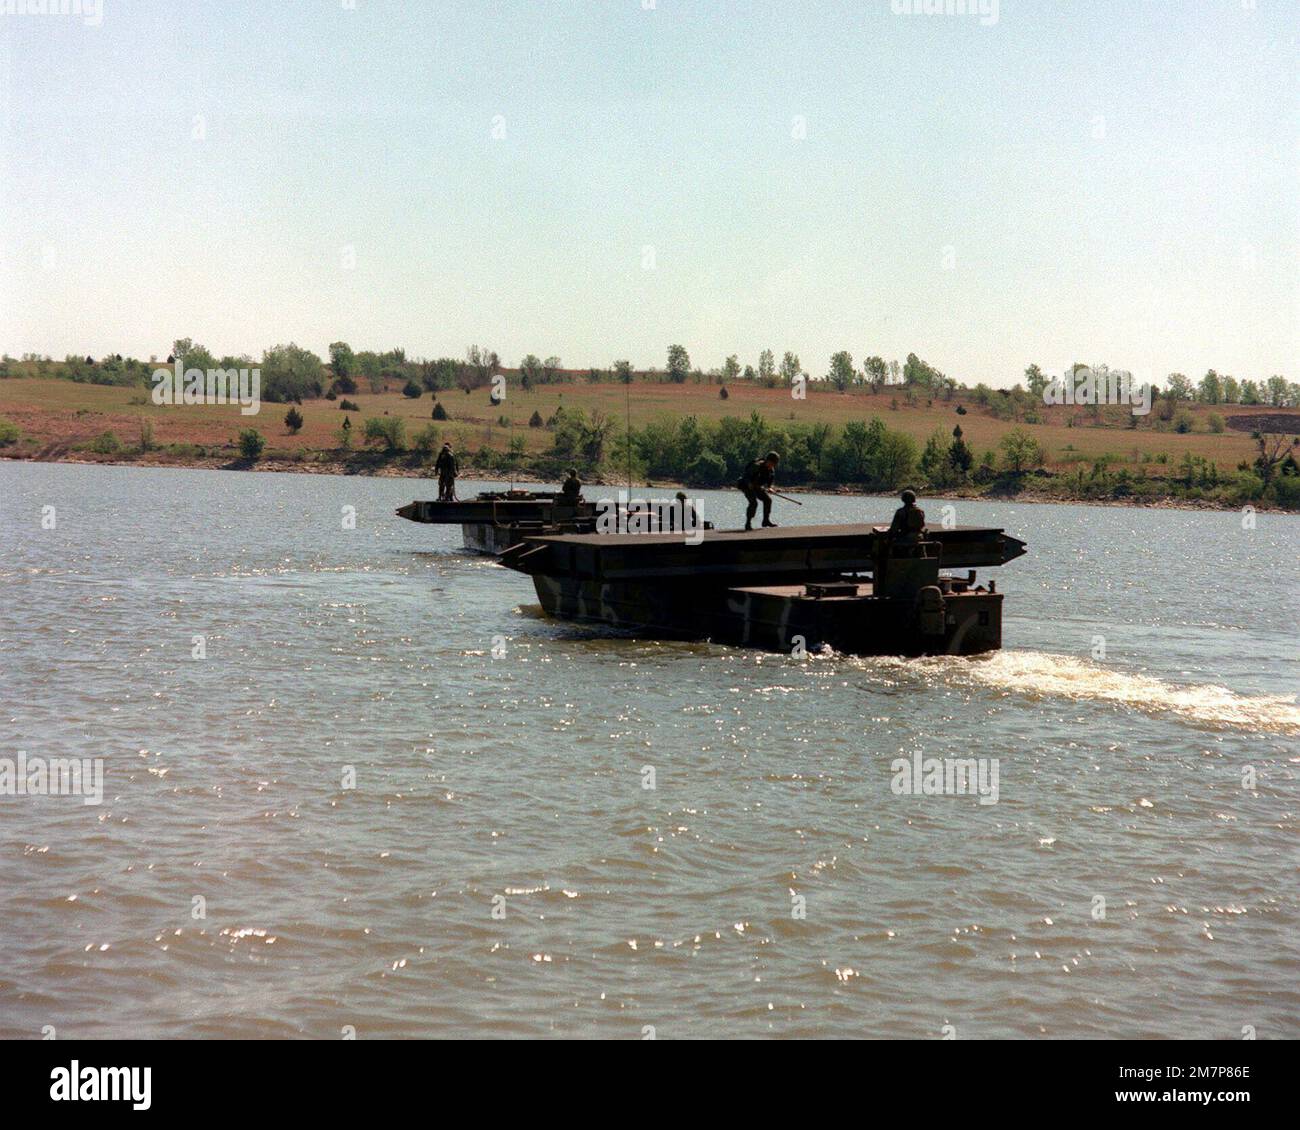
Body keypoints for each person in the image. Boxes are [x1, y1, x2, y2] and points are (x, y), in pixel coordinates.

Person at [737, 451, 780, 530]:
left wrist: (770, 488)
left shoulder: (771, 470)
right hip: (746, 485)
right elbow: (746, 476)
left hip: (757, 486)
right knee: (753, 503)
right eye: (772, 463)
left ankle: (766, 521)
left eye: (774, 464)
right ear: (768, 461)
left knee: (768, 500)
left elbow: (769, 483)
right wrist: (749, 483)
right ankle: (748, 523)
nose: (773, 466)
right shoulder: (756, 466)